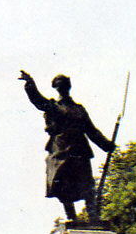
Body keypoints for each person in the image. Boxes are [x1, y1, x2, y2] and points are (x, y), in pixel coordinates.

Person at [19, 70, 115, 221]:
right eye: (60, 86)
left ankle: (94, 217)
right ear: (56, 88)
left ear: (68, 87)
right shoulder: (53, 107)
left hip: (80, 151)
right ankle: (71, 217)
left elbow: (91, 130)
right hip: (62, 152)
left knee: (87, 185)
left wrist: (107, 145)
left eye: (64, 85)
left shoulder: (79, 109)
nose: (62, 88)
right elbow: (38, 101)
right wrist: (30, 84)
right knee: (63, 185)